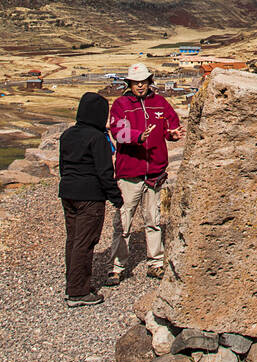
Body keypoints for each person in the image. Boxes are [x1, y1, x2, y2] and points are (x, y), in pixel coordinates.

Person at [107, 62, 182, 283]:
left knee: (153, 220)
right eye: (135, 82)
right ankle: (117, 266)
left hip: (154, 172)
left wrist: (173, 134)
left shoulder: (160, 103)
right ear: (129, 83)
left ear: (149, 82)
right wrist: (138, 136)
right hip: (129, 173)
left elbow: (171, 124)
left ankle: (155, 263)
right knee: (124, 221)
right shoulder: (121, 104)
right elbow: (117, 132)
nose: (140, 86)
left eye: (143, 81)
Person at [58, 92, 124, 306]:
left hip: (68, 192)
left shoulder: (68, 135)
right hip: (90, 196)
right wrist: (116, 197)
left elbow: (63, 166)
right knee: (85, 243)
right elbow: (105, 172)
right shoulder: (98, 138)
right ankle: (78, 292)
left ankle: (73, 283)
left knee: (73, 239)